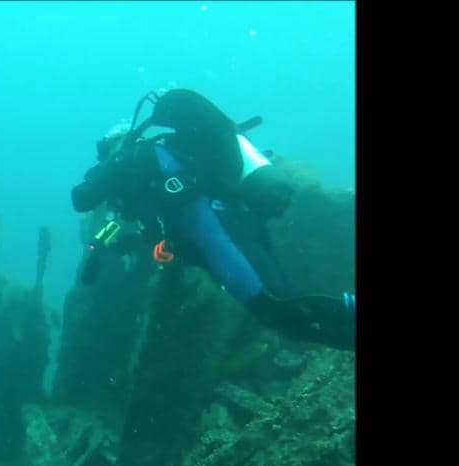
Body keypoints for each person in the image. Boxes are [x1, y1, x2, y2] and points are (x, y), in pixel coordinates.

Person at [70, 89, 355, 351]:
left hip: (217, 234)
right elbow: (148, 219)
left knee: (276, 309)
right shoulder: (160, 157)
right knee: (286, 307)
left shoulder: (127, 158)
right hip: (236, 222)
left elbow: (81, 199)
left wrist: (101, 171)